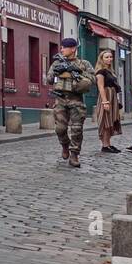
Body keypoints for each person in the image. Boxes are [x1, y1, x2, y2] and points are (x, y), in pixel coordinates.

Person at [47, 38, 94, 167]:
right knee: (60, 129)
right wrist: (56, 73)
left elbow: (92, 78)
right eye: (61, 47)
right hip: (60, 99)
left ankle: (74, 154)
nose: (61, 49)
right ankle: (65, 145)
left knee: (77, 129)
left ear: (73, 49)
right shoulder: (57, 63)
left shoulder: (84, 63)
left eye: (64, 47)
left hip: (76, 99)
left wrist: (77, 72)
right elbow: (49, 79)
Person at [94, 48, 122, 153]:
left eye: (110, 57)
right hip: (106, 96)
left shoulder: (111, 71)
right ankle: (105, 145)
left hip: (112, 96)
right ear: (101, 59)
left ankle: (108, 144)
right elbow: (101, 87)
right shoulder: (100, 72)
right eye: (107, 57)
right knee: (106, 120)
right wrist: (105, 102)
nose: (109, 59)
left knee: (111, 120)